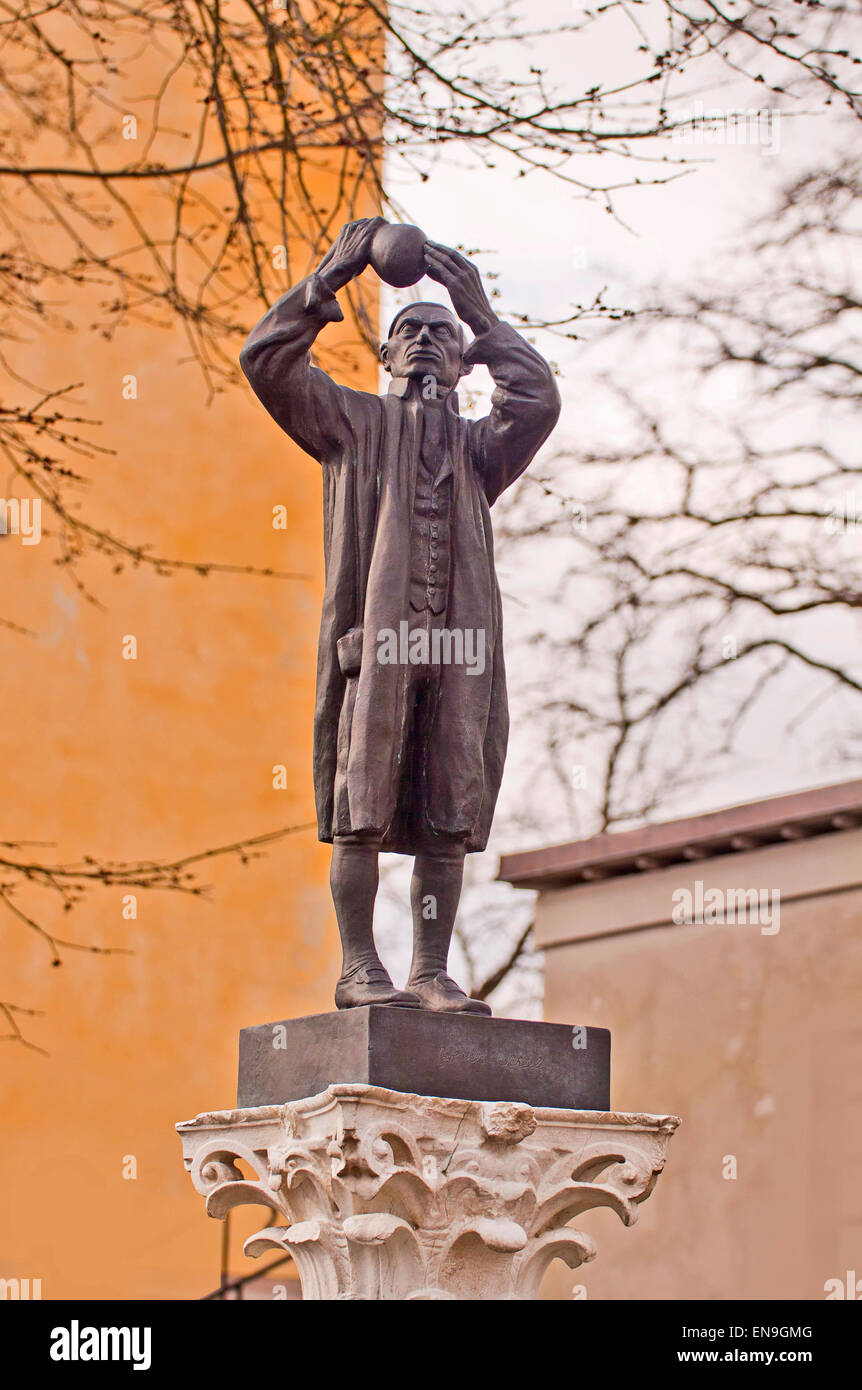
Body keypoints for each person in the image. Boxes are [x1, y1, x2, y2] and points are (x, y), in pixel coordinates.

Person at [240, 219, 560, 1013]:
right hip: (375, 646)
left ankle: (429, 971)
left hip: (460, 651)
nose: (423, 341)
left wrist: (480, 313)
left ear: (462, 364)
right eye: (408, 331)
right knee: (362, 805)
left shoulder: (479, 450)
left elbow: (540, 401)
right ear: (384, 356)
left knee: (448, 809)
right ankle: (359, 969)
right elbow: (267, 361)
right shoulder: (350, 424)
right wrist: (331, 279)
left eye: (440, 336)